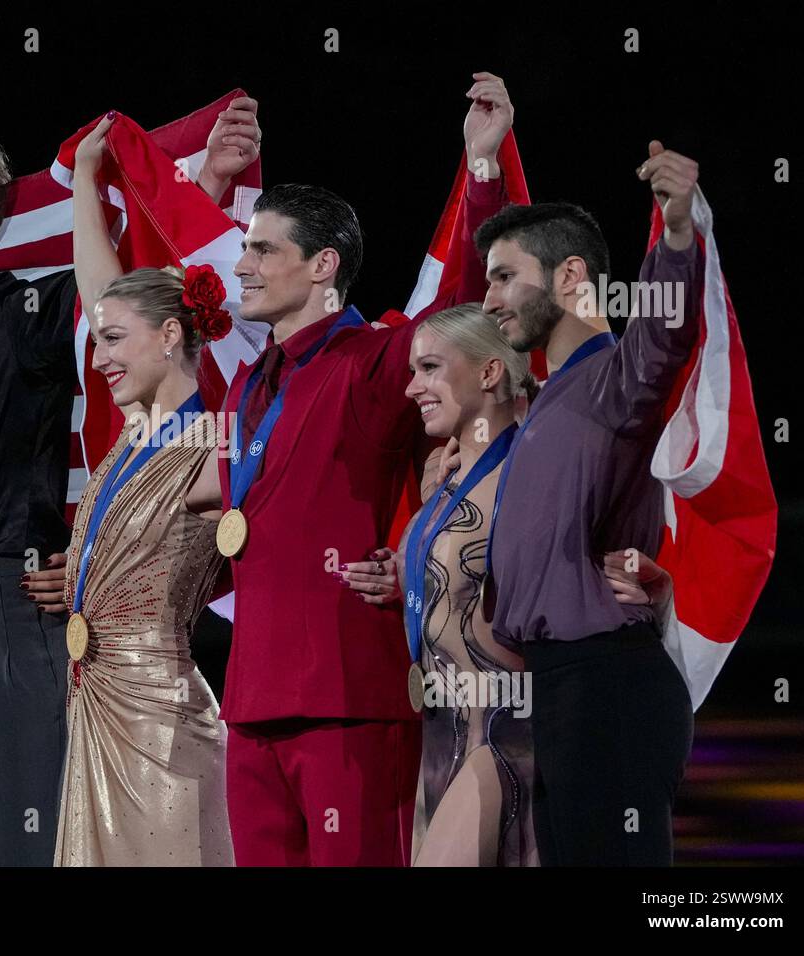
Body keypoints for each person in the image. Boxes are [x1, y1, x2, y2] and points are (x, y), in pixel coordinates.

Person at [0, 100, 261, 866]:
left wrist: (203, 191)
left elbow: (132, 303)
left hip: (5, 615)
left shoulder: (29, 310)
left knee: (14, 850)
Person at [216, 73, 514, 866]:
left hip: (347, 699)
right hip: (251, 703)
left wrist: (480, 175)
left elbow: (460, 311)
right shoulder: (254, 383)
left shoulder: (371, 363)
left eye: (261, 249)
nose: (241, 265)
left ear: (322, 266)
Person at [342, 304, 671, 866]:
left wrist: (651, 584)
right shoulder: (443, 479)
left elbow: (602, 553)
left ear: (490, 373)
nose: (411, 388)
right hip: (441, 735)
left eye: (428, 369)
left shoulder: (529, 476)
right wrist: (401, 574)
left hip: (503, 732)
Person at [475, 142, 704, 865]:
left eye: (505, 277)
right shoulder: (551, 399)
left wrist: (677, 233)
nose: (487, 300)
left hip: (607, 686)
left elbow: (662, 341)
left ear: (571, 276)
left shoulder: (613, 380)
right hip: (561, 689)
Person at [17, 116, 236, 866]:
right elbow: (100, 285)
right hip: (95, 704)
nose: (99, 356)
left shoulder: (216, 444)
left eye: (114, 340)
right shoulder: (135, 427)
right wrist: (83, 179)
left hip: (162, 722)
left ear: (171, 337)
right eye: (98, 338)